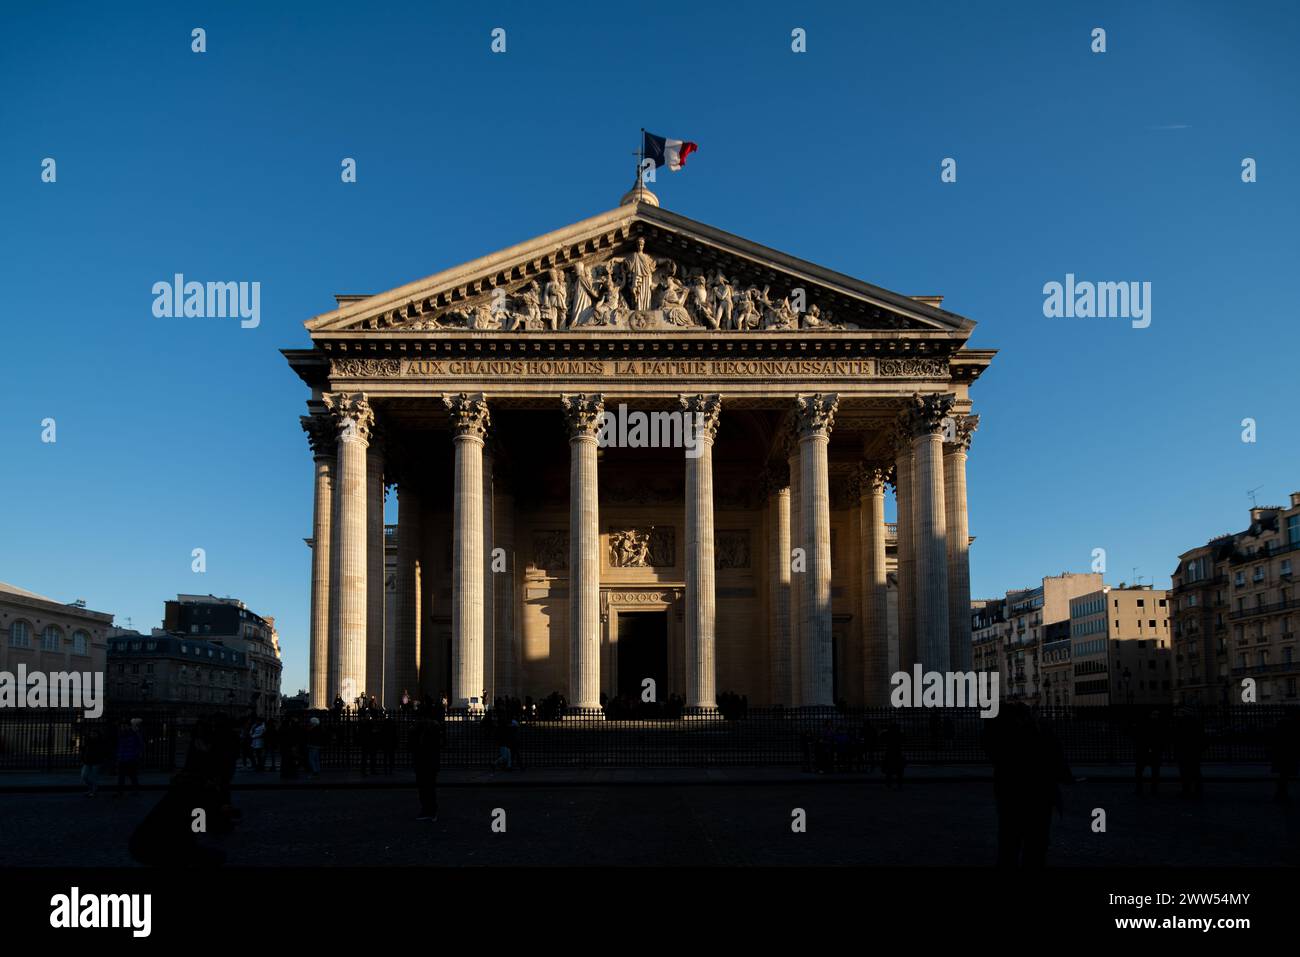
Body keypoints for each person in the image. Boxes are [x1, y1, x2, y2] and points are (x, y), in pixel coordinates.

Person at [984, 703, 1072, 867]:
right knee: (1035, 850)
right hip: (1039, 801)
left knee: (1008, 848)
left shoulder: (1004, 740)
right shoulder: (1043, 734)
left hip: (1010, 801)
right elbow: (1060, 766)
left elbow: (991, 752)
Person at [411, 716, 443, 822]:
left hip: (425, 765)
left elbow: (414, 747)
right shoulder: (434, 734)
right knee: (429, 789)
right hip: (430, 766)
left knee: (425, 789)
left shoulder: (426, 736)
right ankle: (431, 810)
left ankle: (428, 811)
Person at [114, 718, 145, 797]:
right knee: (123, 776)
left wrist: (136, 755)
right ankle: (122, 791)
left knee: (131, 776)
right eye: (122, 726)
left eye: (125, 726)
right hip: (123, 758)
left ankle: (132, 790)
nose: (123, 727)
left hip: (130, 758)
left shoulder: (133, 734)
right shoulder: (121, 734)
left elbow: (140, 744)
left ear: (129, 726)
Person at [80, 727, 109, 797]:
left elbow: (104, 752)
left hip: (97, 761)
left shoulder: (101, 742)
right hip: (88, 761)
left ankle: (93, 791)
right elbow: (83, 751)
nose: (93, 735)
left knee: (94, 777)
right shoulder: (87, 741)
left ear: (98, 734)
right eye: (92, 734)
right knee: (84, 776)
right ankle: (92, 789)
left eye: (94, 734)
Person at [879, 723, 905, 790]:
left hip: (890, 753)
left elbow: (881, 739)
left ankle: (889, 784)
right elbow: (904, 740)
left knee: (889, 770)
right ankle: (899, 784)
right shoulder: (899, 734)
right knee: (898, 770)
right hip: (897, 753)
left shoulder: (887, 734)